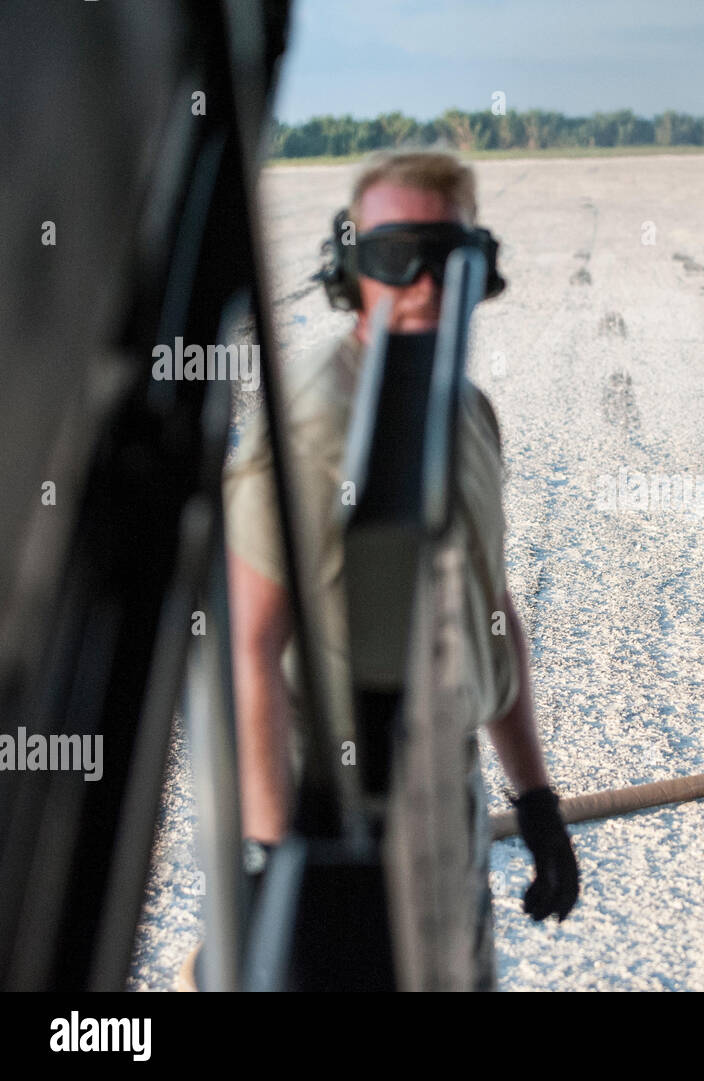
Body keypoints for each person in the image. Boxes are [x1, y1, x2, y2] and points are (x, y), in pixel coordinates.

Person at [205, 151, 577, 990]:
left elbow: (493, 610)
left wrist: (538, 799)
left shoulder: (469, 410)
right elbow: (249, 649)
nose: (420, 281)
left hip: (448, 794)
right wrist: (273, 865)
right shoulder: (313, 429)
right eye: (392, 253)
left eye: (444, 255)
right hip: (333, 810)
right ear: (348, 270)